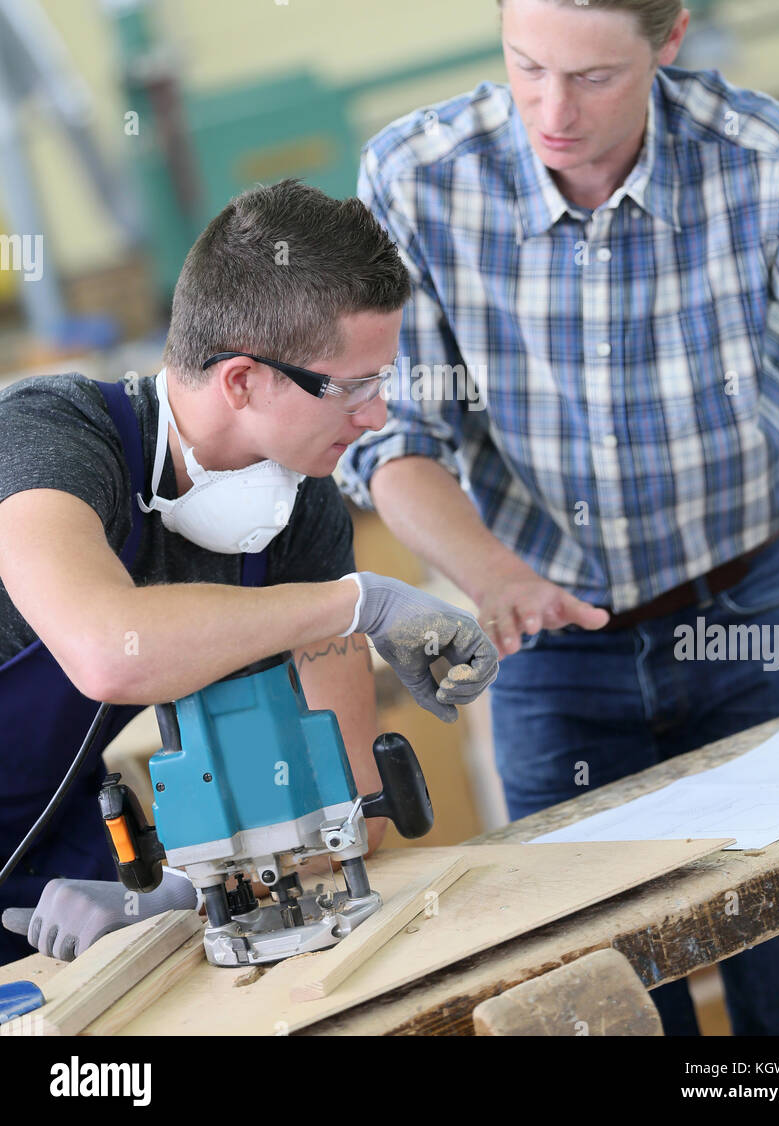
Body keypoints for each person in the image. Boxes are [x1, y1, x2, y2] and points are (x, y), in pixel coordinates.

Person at [341, 0, 779, 1036]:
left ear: (668, 44)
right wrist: (489, 575)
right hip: (545, 651)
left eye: (592, 76)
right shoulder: (416, 181)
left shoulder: (765, 163)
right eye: (525, 65)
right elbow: (388, 438)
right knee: (599, 1001)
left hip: (747, 620)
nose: (552, 111)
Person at [0, 179, 497, 964]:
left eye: (384, 378)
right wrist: (356, 606)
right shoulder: (49, 435)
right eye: (355, 385)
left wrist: (179, 895)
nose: (378, 414)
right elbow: (107, 650)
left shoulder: (302, 512)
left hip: (59, 860)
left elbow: (350, 809)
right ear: (241, 379)